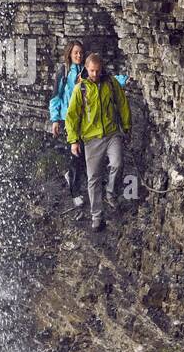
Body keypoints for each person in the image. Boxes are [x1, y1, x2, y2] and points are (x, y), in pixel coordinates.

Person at [65, 52, 130, 231]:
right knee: (93, 178)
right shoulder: (81, 89)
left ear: (101, 68)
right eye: (92, 71)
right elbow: (72, 117)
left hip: (111, 133)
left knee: (117, 163)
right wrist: (73, 141)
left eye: (97, 70)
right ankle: (97, 217)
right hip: (91, 139)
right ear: (87, 69)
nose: (95, 74)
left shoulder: (110, 83)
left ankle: (110, 192)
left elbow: (122, 103)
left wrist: (126, 126)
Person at [49, 40, 88, 198]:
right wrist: (55, 120)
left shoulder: (86, 69)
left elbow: (105, 78)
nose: (79, 55)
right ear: (70, 55)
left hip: (85, 118)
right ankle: (75, 192)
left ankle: (73, 178)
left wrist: (123, 80)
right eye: (75, 53)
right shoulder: (64, 72)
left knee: (83, 155)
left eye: (80, 53)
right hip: (68, 119)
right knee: (76, 153)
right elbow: (56, 96)